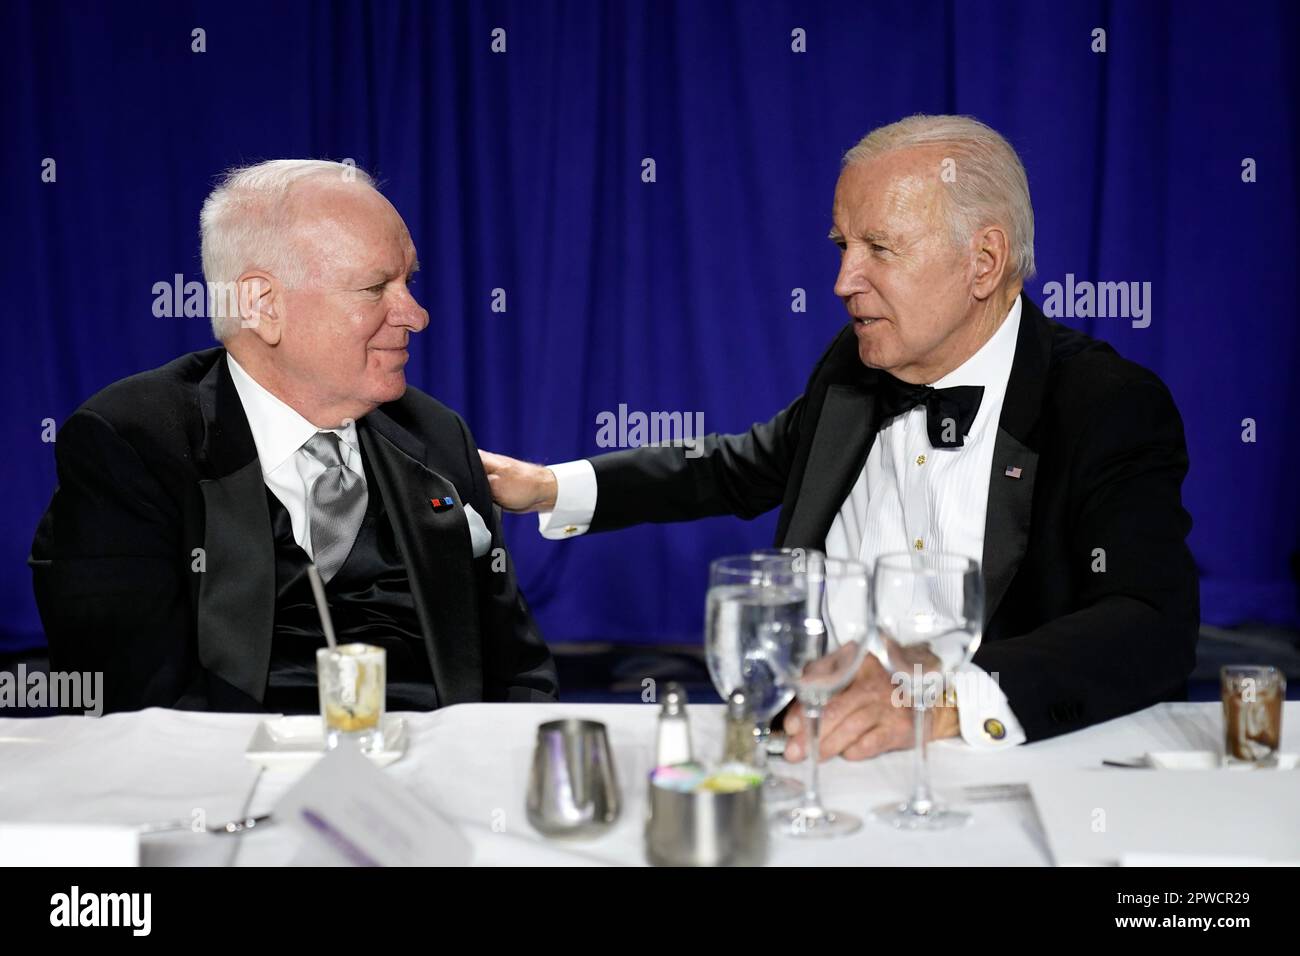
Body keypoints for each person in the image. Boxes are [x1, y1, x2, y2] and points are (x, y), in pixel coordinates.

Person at [479, 115, 1198, 760]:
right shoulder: (850, 372)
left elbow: (1149, 622)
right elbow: (734, 468)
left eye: (879, 247)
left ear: (984, 261)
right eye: (842, 245)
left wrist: (945, 706)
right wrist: (548, 486)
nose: (843, 280)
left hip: (1001, 767)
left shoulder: (1104, 405)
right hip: (819, 761)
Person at [30, 160, 556, 714]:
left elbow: (518, 675)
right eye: (375, 287)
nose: (416, 315)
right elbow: (133, 705)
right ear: (262, 305)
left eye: (409, 282)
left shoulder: (436, 435)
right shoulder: (135, 442)